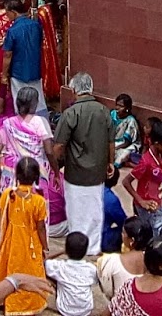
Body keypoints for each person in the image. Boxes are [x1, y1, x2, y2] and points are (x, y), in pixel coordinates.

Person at [50, 70, 111, 255]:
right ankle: (93, 248)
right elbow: (110, 142)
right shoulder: (104, 111)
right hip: (97, 172)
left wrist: (55, 166)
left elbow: (59, 146)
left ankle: (77, 248)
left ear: (74, 90)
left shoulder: (70, 113)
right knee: (94, 209)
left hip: (75, 172)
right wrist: (110, 163)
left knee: (76, 210)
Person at [0, 156, 50, 316]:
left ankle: (10, 301)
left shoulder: (7, 194)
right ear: (36, 178)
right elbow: (41, 228)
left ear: (16, 176)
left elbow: (1, 217)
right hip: (31, 244)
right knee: (31, 272)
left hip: (11, 241)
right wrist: (45, 248)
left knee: (11, 269)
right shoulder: (38, 201)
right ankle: (30, 304)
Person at [0, 84, 53, 193]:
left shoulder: (7, 123)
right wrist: (56, 172)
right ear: (35, 104)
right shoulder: (41, 122)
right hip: (34, 174)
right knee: (36, 207)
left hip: (11, 176)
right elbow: (49, 152)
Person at [125, 119, 162, 234]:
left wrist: (158, 195)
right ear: (157, 143)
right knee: (154, 232)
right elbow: (126, 182)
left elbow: (154, 180)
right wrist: (141, 201)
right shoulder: (146, 162)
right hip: (146, 206)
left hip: (156, 202)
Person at [1, 0, 45, 116]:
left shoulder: (12, 31)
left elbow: (7, 55)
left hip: (18, 71)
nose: (6, 16)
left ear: (13, 12)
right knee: (38, 100)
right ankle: (41, 128)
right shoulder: (36, 25)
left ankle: (23, 128)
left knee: (20, 102)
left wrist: (4, 74)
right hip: (35, 69)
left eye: (7, 13)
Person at [47, 230, 99, 316]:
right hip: (86, 310)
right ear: (85, 251)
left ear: (66, 250)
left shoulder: (60, 266)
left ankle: (59, 288)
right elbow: (95, 281)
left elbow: (42, 262)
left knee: (48, 273)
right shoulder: (91, 269)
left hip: (65, 310)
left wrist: (61, 251)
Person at [112, 93, 141, 167]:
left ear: (127, 108)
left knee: (122, 154)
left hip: (126, 144)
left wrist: (114, 148)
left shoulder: (131, 121)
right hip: (113, 141)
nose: (117, 108)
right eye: (117, 105)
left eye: (121, 106)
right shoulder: (112, 114)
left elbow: (127, 142)